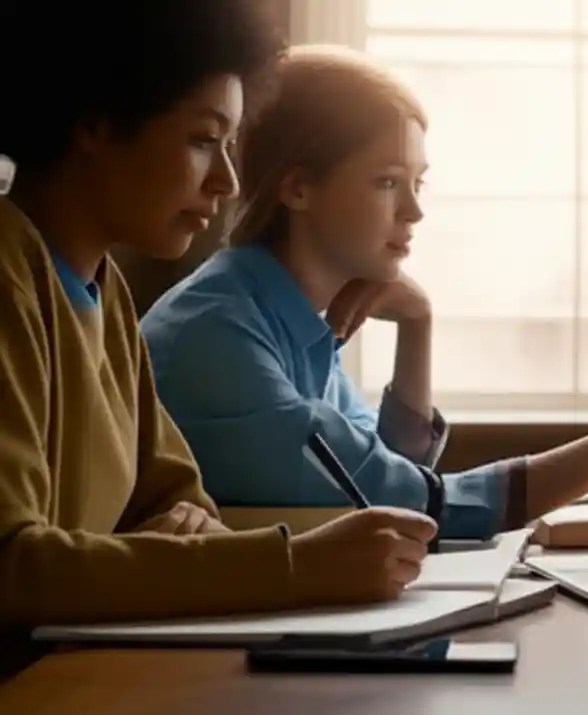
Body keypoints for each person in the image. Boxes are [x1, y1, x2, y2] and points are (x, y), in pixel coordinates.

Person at [140, 45, 588, 538]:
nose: (414, 212)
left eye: (418, 183)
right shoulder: (222, 337)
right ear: (298, 187)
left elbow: (384, 471)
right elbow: (428, 507)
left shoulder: (281, 317)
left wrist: (418, 325)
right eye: (387, 182)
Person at [0, 2, 441, 663]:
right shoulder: (10, 280)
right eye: (204, 140)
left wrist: (170, 542)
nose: (227, 181)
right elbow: (13, 564)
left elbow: (179, 500)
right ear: (96, 123)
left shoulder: (103, 292)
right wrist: (295, 568)